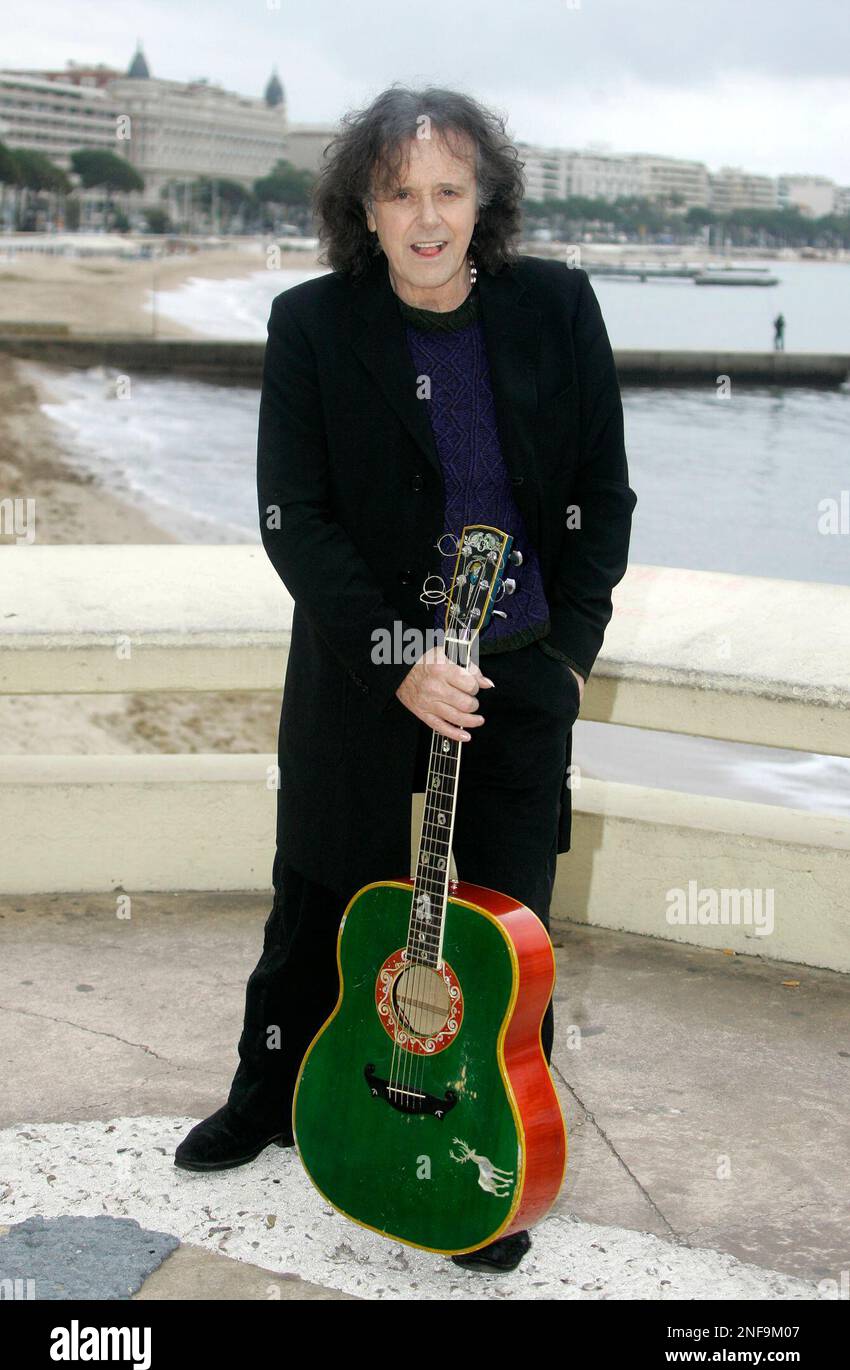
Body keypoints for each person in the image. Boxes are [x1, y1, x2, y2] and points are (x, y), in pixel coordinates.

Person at [174, 85, 637, 1275]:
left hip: (518, 673)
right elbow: (298, 522)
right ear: (363, 211)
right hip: (360, 668)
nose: (426, 218)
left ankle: (486, 1156)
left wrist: (571, 653)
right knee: (321, 887)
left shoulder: (557, 308)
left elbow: (602, 498)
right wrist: (398, 658)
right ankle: (267, 1093)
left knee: (502, 918)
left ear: (483, 202)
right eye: (399, 195)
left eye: (447, 190)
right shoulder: (314, 325)